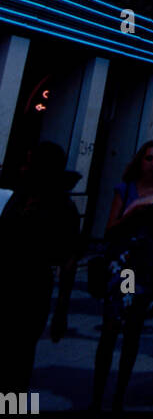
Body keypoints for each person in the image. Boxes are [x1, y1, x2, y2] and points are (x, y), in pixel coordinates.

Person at [89, 140, 153, 411]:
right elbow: (110, 228)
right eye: (149, 158)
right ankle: (97, 394)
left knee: (133, 331)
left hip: (146, 266)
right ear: (140, 160)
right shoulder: (125, 190)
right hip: (124, 265)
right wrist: (133, 212)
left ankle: (119, 396)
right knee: (112, 327)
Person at [0, 142, 80, 390]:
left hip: (32, 289)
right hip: (4, 281)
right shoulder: (17, 197)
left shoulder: (63, 207)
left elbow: (69, 260)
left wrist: (61, 311)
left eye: (29, 162)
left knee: (20, 362)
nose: (23, 168)